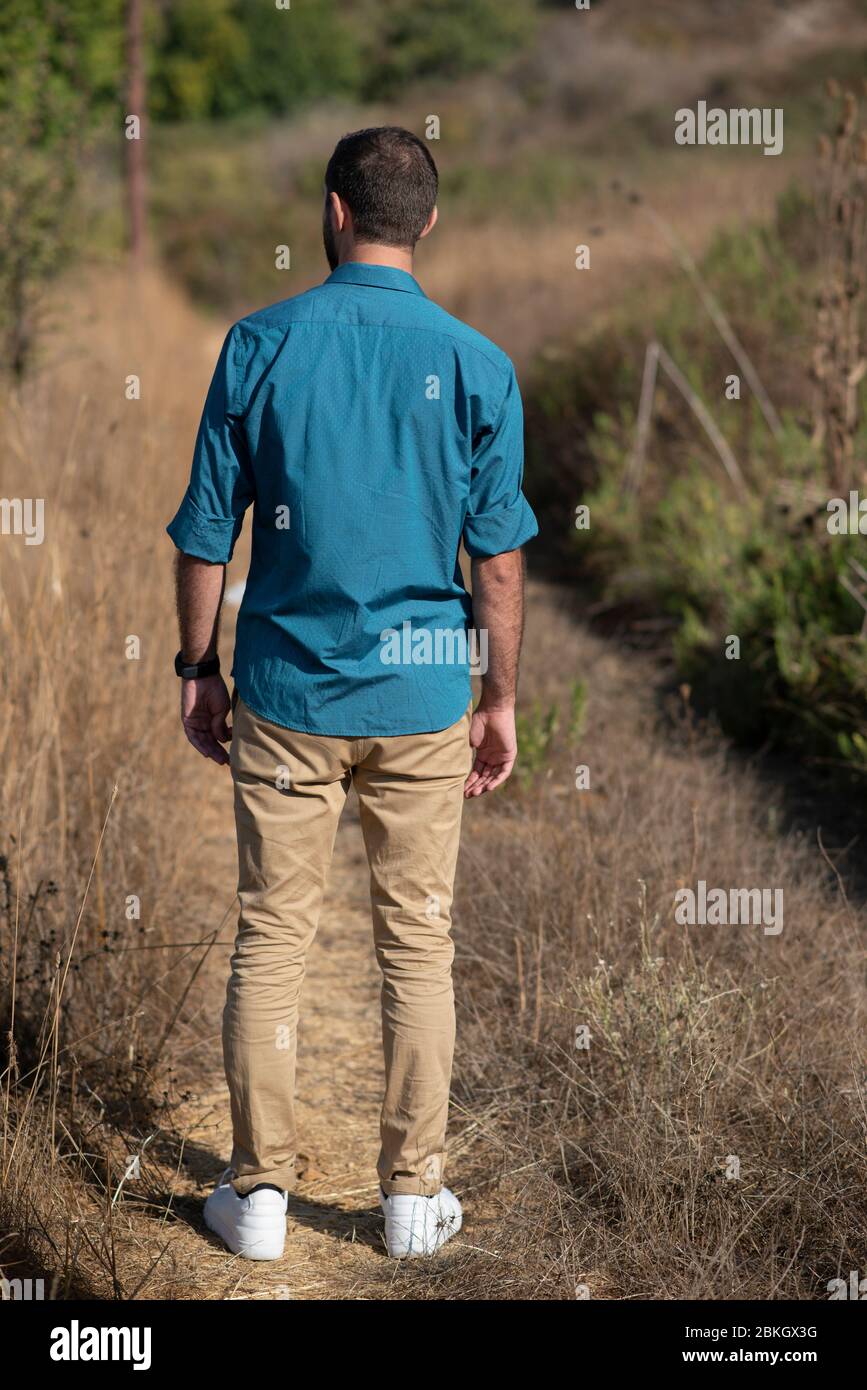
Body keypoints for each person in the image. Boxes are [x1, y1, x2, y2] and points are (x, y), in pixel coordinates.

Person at [167, 126, 538, 1260]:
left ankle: (260, 1198)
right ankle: (413, 1200)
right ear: (425, 222)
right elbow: (502, 562)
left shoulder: (258, 343)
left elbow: (202, 537)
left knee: (272, 935)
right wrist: (500, 701)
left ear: (333, 211)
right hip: (426, 691)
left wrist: (200, 668)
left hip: (284, 682)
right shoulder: (478, 363)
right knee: (417, 944)